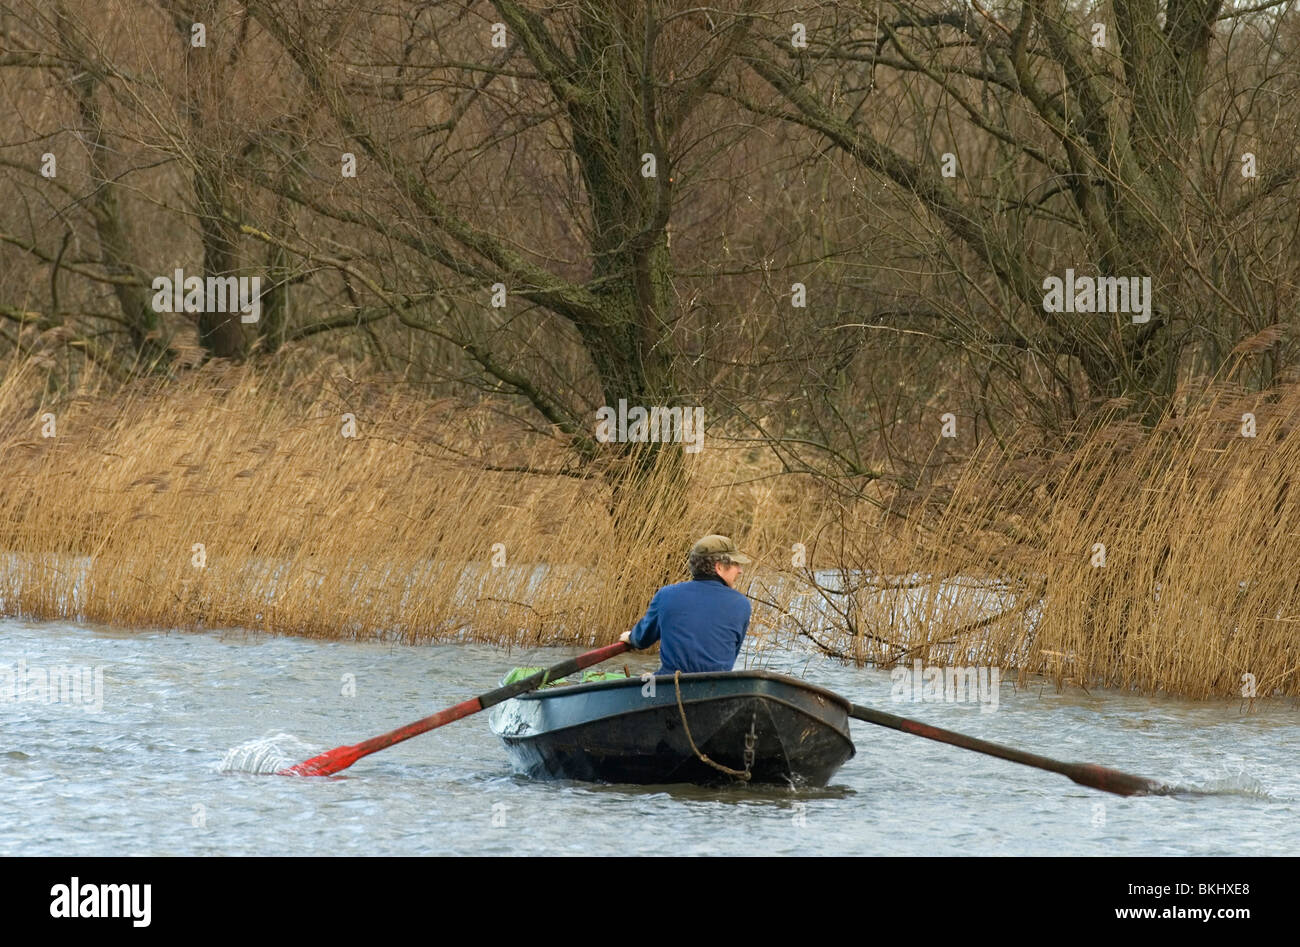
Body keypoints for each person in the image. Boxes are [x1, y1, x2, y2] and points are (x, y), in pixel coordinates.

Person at [619, 534, 752, 674]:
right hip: (717, 686)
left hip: (670, 684)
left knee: (648, 681)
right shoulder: (741, 604)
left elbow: (642, 639)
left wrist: (631, 637)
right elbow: (731, 655)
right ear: (719, 567)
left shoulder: (666, 595)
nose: (740, 571)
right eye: (735, 564)